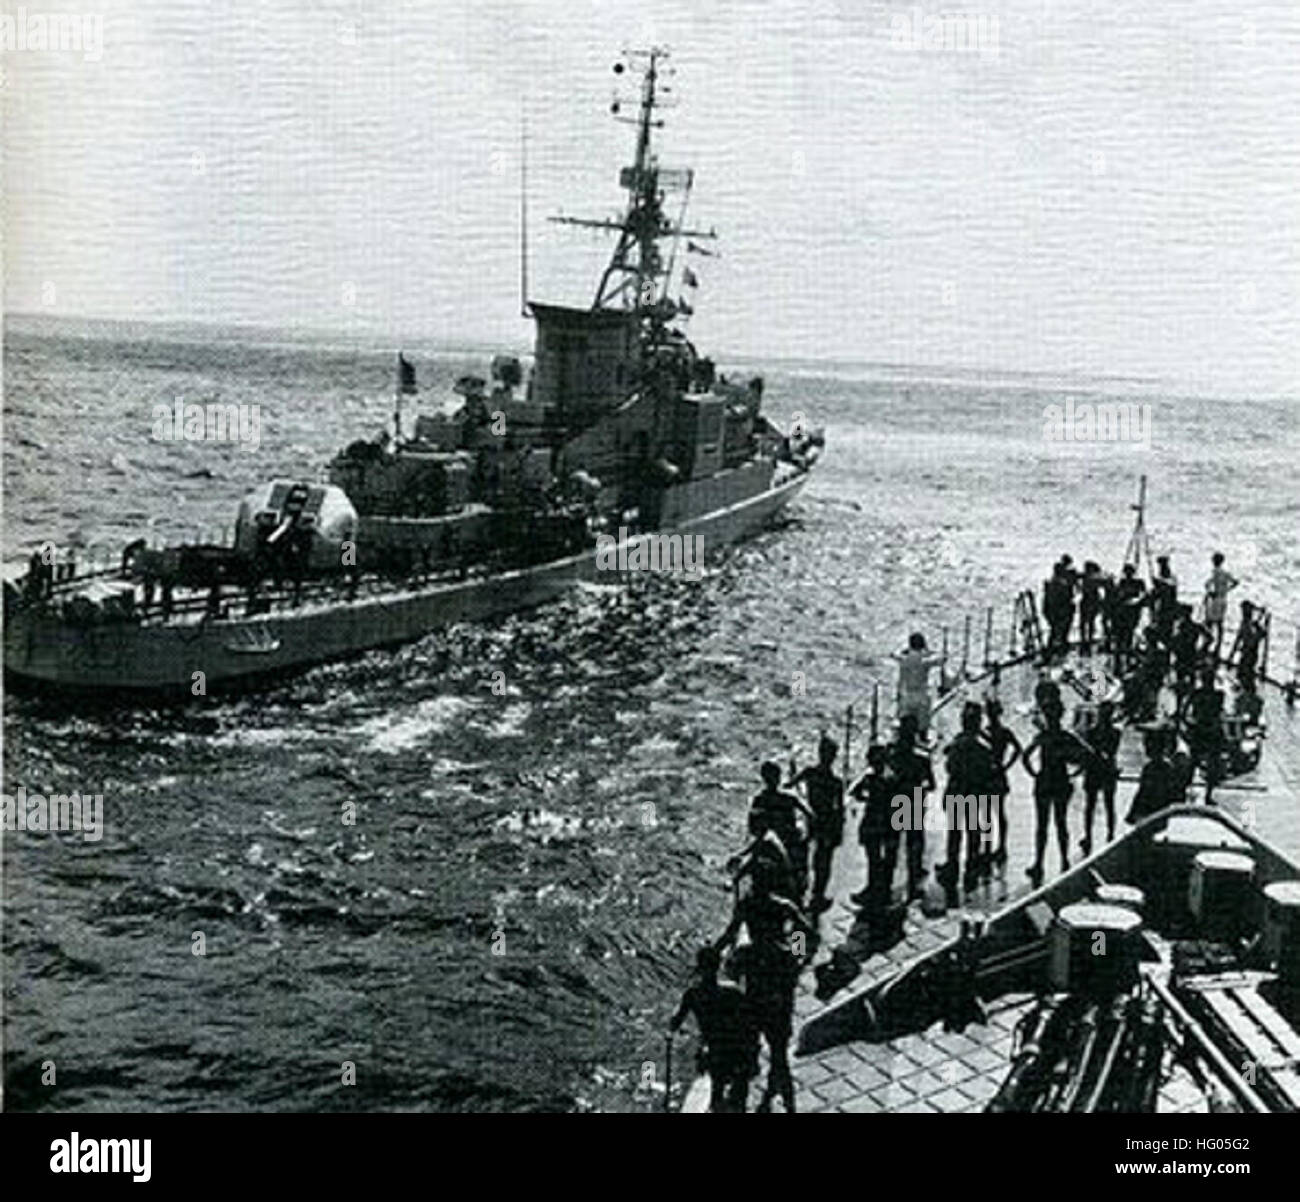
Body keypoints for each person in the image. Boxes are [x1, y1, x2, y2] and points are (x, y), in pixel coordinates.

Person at [714, 853, 815, 1114]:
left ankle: (745, 1101)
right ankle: (786, 1101)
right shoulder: (784, 906)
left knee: (748, 1049)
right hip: (779, 978)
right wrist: (796, 956)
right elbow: (806, 932)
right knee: (779, 1053)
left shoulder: (747, 905)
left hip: (756, 981)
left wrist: (714, 954)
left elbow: (730, 933)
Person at [670, 945, 759, 1112]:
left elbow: (675, 1023)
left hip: (715, 1050)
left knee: (717, 1091)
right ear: (718, 965)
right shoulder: (733, 992)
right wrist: (753, 1052)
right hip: (737, 1049)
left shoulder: (692, 995)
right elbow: (750, 1024)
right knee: (740, 1093)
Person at [1021, 696, 1094, 887]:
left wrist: (1034, 774)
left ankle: (1039, 862)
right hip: (1061, 781)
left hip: (1044, 781)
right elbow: (1087, 754)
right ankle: (1063, 859)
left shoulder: (1043, 736)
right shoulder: (1066, 736)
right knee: (1061, 823)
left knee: (1042, 826)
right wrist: (1074, 773)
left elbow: (1026, 756)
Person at [936, 701, 998, 897]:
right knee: (973, 832)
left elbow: (949, 768)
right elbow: (989, 770)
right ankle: (971, 867)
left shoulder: (957, 744)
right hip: (973, 792)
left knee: (954, 833)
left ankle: (952, 868)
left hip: (956, 791)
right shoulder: (983, 746)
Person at [789, 735, 845, 914]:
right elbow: (840, 809)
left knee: (810, 857)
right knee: (823, 860)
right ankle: (817, 893)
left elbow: (790, 785)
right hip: (826, 822)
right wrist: (839, 831)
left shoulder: (810, 773)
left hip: (812, 820)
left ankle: (805, 889)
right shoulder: (836, 782)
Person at [748, 761, 813, 902]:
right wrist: (807, 837)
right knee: (798, 883)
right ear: (779, 777)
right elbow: (810, 815)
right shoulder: (789, 797)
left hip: (771, 846)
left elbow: (752, 828)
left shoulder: (759, 800)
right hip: (791, 844)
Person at [889, 712, 936, 900]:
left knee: (893, 842)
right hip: (915, 798)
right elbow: (931, 785)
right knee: (915, 843)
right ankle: (914, 881)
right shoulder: (922, 758)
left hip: (897, 800)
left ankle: (885, 882)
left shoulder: (891, 755)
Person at [850, 743, 898, 912]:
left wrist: (865, 798)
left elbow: (855, 792)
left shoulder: (873, 777)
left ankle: (876, 889)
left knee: (875, 857)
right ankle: (882, 889)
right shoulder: (890, 777)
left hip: (876, 820)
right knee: (882, 858)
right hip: (888, 820)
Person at [984, 698, 1022, 871]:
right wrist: (1006, 765)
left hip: (988, 775)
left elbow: (1018, 750)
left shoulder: (985, 732)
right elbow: (1018, 749)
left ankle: (989, 846)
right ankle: (1001, 846)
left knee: (989, 813)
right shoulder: (1004, 732)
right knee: (998, 812)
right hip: (999, 773)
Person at [1080, 700, 1120, 856]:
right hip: (1105, 769)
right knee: (1104, 804)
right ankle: (1101, 834)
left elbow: (1109, 751)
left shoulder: (1093, 732)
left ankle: (1102, 834)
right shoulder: (1114, 732)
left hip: (1097, 769)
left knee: (1099, 804)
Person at [1180, 668, 1226, 803]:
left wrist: (1189, 726)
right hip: (1213, 732)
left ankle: (1183, 790)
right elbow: (1220, 714)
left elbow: (1184, 713)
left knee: (1193, 762)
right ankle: (1208, 795)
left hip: (1199, 730)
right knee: (1213, 765)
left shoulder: (1196, 694)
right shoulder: (1219, 695)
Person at [894, 633, 944, 735]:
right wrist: (929, 652)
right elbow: (942, 659)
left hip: (907, 694)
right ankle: (923, 737)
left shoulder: (904, 659)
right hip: (921, 695)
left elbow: (894, 654)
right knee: (922, 724)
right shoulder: (925, 661)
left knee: (905, 720)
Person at [1127, 728, 1178, 824]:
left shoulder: (1152, 767)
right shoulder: (1167, 767)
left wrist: (1133, 812)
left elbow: (1142, 791)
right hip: (1159, 809)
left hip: (1151, 810)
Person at [1111, 564, 1146, 672]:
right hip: (1121, 614)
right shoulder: (1122, 582)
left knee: (1128, 638)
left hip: (1132, 614)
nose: (1128, 575)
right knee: (1119, 639)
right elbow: (1117, 596)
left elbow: (1143, 595)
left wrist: (1135, 601)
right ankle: (1118, 663)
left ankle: (1127, 661)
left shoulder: (1139, 582)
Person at [1203, 552, 1238, 657]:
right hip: (1223, 599)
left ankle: (1208, 640)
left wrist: (1210, 593)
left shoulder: (1215, 572)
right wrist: (1227, 590)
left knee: (1209, 621)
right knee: (1219, 622)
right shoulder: (1226, 573)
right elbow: (1236, 582)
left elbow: (1207, 584)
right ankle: (1219, 643)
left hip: (1215, 599)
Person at [1042, 561, 1075, 659]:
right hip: (1061, 612)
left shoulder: (1052, 582)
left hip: (1053, 611)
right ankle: (1054, 651)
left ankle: (1054, 651)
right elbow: (1067, 597)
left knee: (1055, 632)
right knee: (1059, 632)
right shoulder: (1061, 584)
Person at [1235, 600, 1264, 691]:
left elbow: (1255, 637)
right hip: (1248, 651)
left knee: (1245, 674)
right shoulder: (1248, 624)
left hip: (1249, 652)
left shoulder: (1248, 624)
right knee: (1244, 674)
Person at [1078, 561, 1104, 655]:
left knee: (1086, 623)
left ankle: (1086, 641)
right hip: (1089, 601)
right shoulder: (1092, 577)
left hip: (1090, 601)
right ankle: (1087, 640)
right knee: (1087, 623)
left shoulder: (1090, 577)